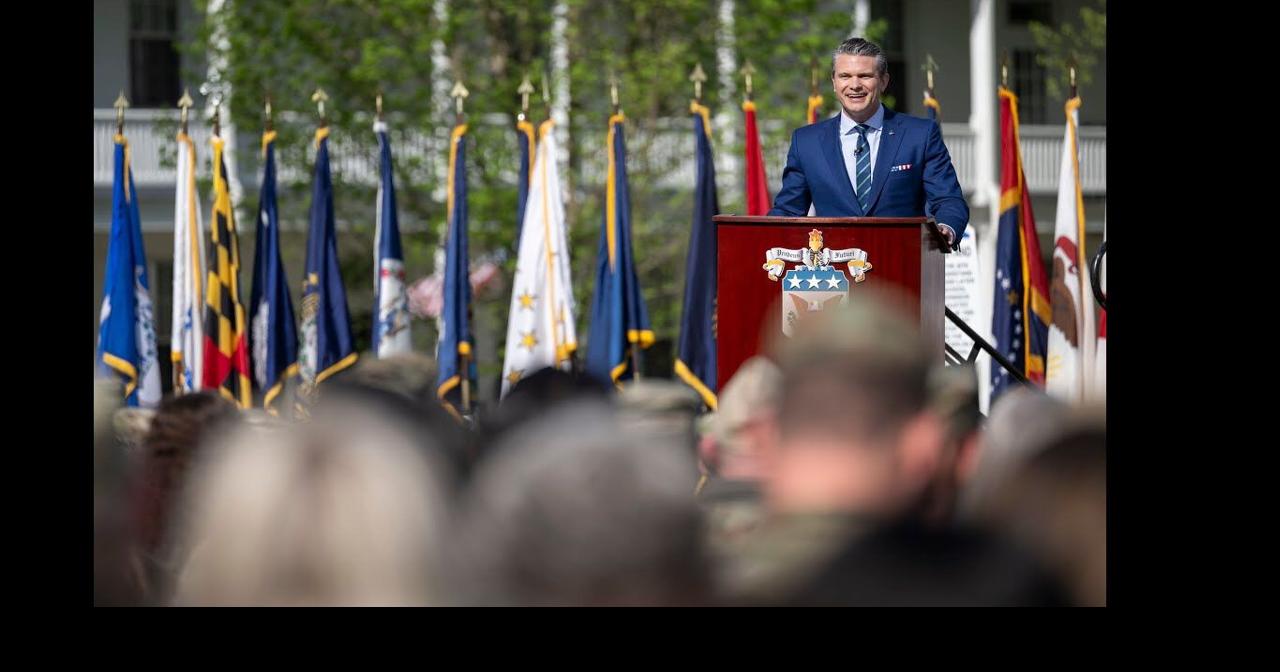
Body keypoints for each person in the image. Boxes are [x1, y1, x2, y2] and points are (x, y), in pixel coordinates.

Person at [768, 37, 968, 247]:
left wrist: (945, 228)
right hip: (833, 263)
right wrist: (756, 237)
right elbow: (788, 210)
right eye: (845, 76)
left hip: (901, 258)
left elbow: (948, 199)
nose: (855, 85)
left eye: (865, 76)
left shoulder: (920, 135)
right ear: (834, 82)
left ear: (883, 81)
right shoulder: (806, 142)